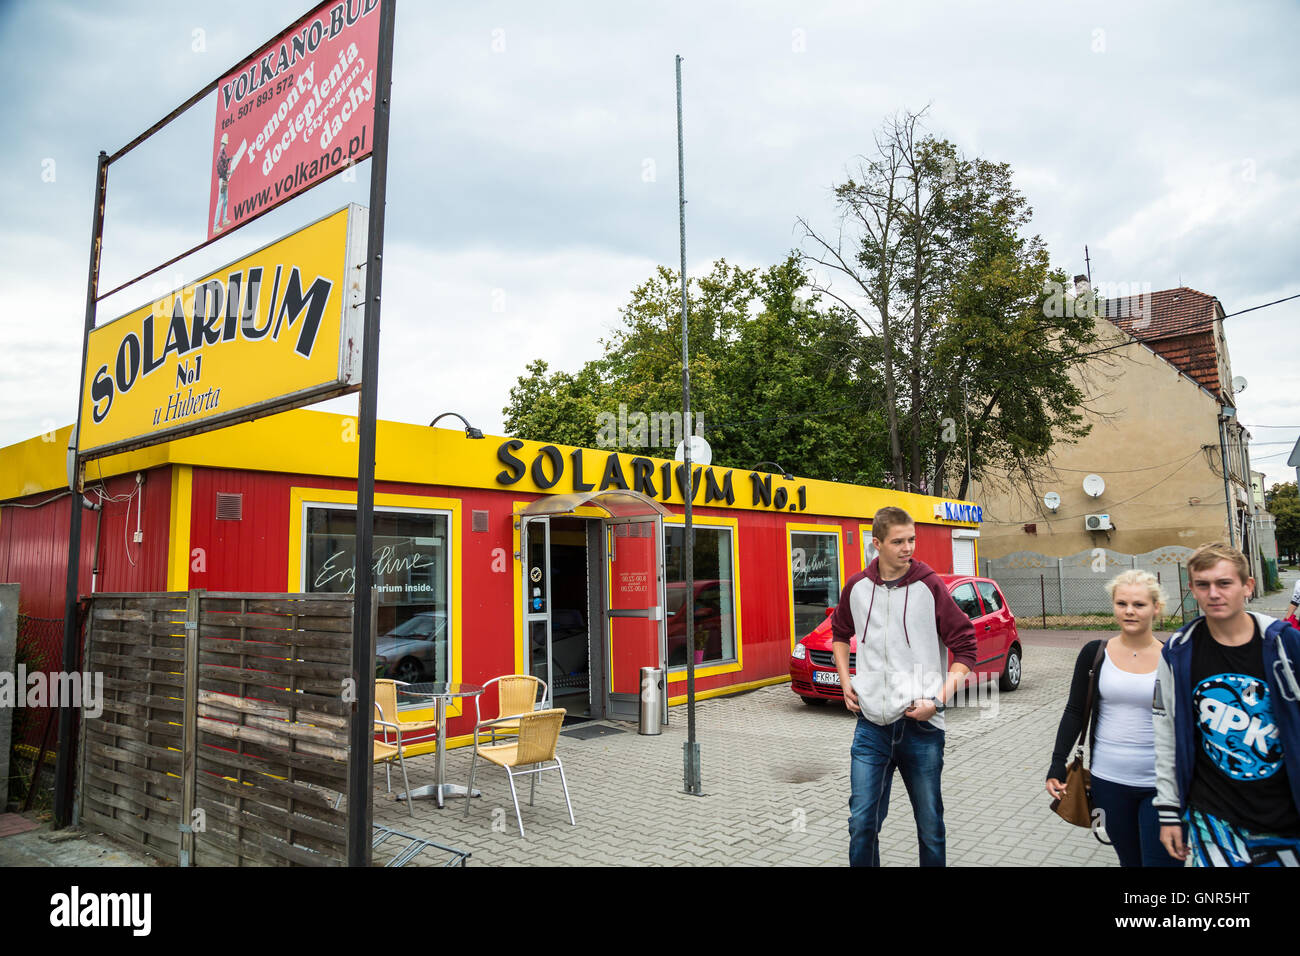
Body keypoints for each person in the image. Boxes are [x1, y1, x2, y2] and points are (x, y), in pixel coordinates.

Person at [830, 506, 976, 867]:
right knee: (862, 823)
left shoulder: (929, 586)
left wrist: (938, 702)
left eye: (911, 539)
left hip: (921, 727)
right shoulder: (857, 587)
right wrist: (846, 682)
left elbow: (966, 647)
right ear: (876, 543)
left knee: (929, 825)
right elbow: (839, 634)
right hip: (870, 728)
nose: (908, 548)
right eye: (898, 541)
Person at [1153, 542, 1300, 866]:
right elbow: (1165, 735)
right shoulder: (1179, 652)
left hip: (1286, 817)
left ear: (1247, 586)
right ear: (1191, 588)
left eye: (1224, 583)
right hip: (1214, 821)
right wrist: (1169, 813)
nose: (1214, 593)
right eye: (1203, 585)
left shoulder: (1284, 644)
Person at [1045, 570, 1181, 866]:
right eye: (1121, 603)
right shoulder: (1096, 653)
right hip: (1108, 783)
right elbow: (1075, 711)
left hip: (1161, 784)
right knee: (1129, 861)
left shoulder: (1173, 657)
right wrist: (1057, 763)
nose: (1129, 611)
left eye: (1139, 604)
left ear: (1156, 608)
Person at [213, 133, 232, 233]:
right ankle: (215, 227)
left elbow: (224, 164)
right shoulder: (221, 154)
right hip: (222, 179)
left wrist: (229, 160)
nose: (225, 145)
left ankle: (224, 220)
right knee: (220, 201)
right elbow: (220, 168)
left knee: (225, 200)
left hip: (224, 179)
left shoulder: (223, 153)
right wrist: (227, 172)